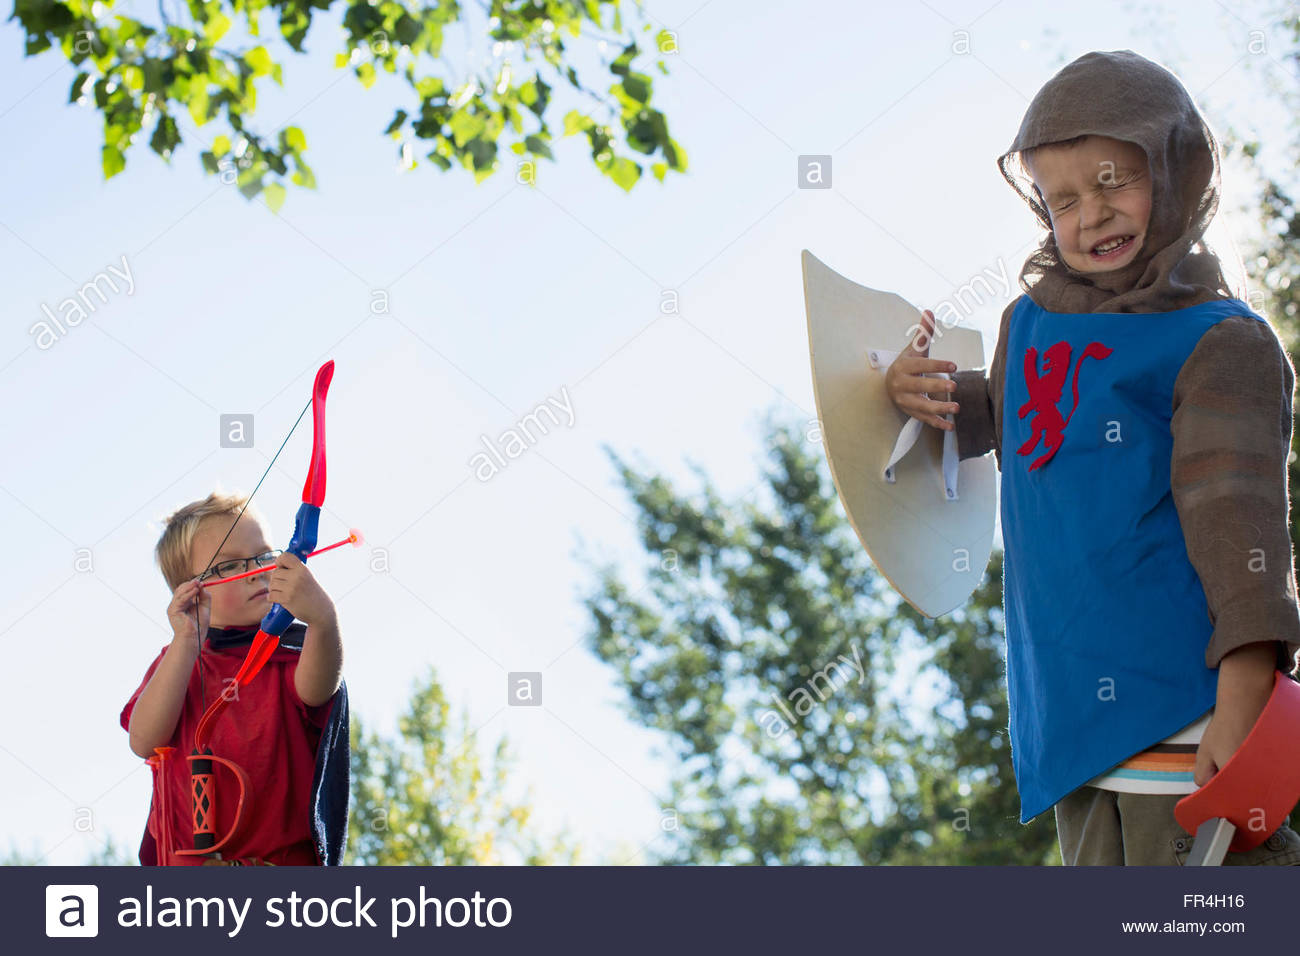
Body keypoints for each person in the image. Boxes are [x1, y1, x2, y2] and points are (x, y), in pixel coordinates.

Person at [886, 50, 1300, 865]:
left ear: (1177, 169)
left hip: (1186, 716)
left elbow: (1239, 519)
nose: (1090, 215)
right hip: (1068, 729)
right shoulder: (1031, 327)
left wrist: (1247, 685)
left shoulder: (1216, 341)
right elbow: (996, 417)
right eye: (1062, 198)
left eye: (1114, 180)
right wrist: (913, 391)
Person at [121, 492, 350, 865]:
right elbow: (144, 741)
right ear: (188, 591)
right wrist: (186, 642)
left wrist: (323, 619)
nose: (257, 571)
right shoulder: (178, 661)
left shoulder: (292, 649)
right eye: (229, 567)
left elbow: (319, 689)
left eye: (264, 556)